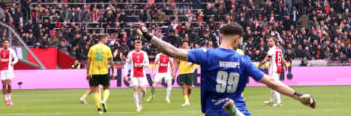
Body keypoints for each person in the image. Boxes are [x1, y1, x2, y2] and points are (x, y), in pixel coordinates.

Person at [135, 22, 315, 116]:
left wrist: (148, 35)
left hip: (213, 111)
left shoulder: (207, 54)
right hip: (238, 105)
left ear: (222, 36)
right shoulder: (243, 60)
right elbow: (271, 82)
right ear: (237, 39)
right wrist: (298, 96)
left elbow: (173, 51)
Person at [82, 35, 113, 113]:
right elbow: (111, 62)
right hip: (104, 71)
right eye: (106, 38)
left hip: (94, 72)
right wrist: (113, 72)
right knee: (106, 88)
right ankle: (104, 101)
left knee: (96, 91)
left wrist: (88, 73)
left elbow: (88, 62)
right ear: (103, 39)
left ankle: (99, 109)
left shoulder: (92, 48)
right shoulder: (107, 48)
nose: (107, 40)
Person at [125, 37, 151, 112]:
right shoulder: (131, 54)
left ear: (141, 46)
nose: (138, 46)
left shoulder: (144, 54)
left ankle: (139, 102)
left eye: (139, 45)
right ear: (134, 46)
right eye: (136, 45)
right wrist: (125, 75)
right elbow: (126, 64)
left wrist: (141, 64)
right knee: (135, 89)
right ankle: (137, 107)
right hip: (133, 74)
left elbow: (147, 64)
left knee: (144, 91)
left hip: (142, 74)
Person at [259, 36, 286, 107]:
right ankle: (271, 101)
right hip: (279, 69)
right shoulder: (279, 49)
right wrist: (285, 65)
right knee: (272, 85)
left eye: (271, 41)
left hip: (274, 69)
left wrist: (259, 65)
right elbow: (282, 59)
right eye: (268, 41)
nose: (269, 42)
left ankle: (279, 102)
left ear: (274, 42)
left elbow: (265, 60)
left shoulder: (272, 50)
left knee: (275, 85)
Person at [177, 39, 197, 107]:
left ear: (188, 45)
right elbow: (177, 63)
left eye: (186, 44)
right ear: (182, 46)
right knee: (184, 87)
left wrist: (191, 63)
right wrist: (174, 72)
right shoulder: (180, 53)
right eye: (184, 44)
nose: (185, 45)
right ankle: (186, 101)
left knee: (190, 88)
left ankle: (187, 99)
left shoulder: (191, 52)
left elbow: (195, 60)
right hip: (182, 72)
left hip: (189, 72)